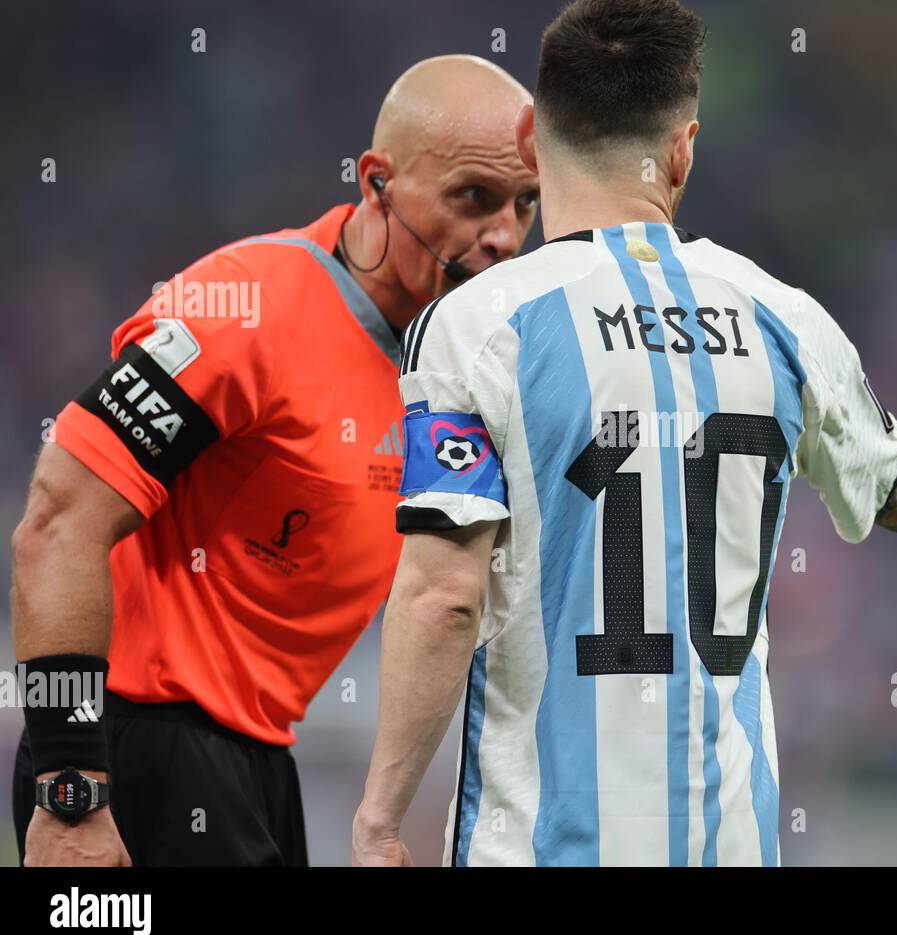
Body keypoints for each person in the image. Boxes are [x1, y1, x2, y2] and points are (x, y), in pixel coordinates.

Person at [350, 0, 897, 867]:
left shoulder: (479, 326)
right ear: (682, 149)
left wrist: (380, 818)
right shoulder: (782, 318)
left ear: (532, 138)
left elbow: (443, 596)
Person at [11, 54, 539, 866]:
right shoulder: (246, 306)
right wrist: (71, 792)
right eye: (474, 198)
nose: (503, 236)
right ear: (377, 185)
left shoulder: (456, 365)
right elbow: (56, 522)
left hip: (256, 763)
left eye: (525, 205)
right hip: (139, 754)